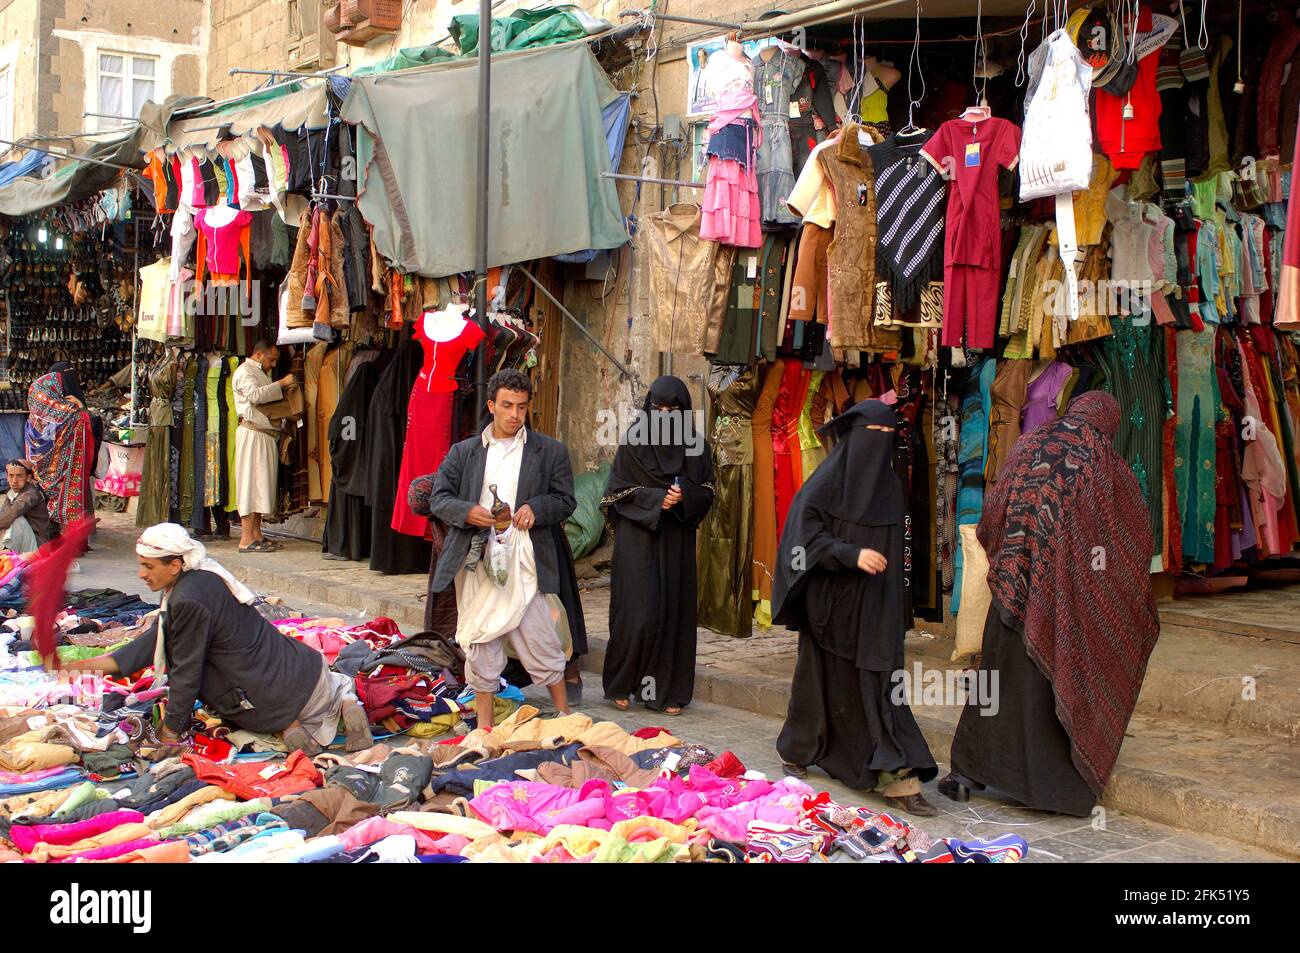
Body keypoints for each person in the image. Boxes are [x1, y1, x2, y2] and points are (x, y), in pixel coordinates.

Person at [940, 391, 1160, 816]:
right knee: (1051, 685)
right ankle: (1051, 791)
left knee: (996, 682)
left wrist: (1011, 556)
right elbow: (1127, 536)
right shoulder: (1104, 461)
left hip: (1013, 589)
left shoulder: (1032, 441)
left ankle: (967, 775)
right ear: (1108, 422)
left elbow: (995, 507)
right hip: (1063, 603)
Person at [63, 523, 373, 755]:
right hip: (305, 670)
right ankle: (345, 704)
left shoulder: (186, 600)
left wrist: (170, 730)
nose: (141, 574)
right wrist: (75, 667)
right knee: (337, 684)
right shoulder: (204, 578)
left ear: (174, 565)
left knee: (229, 696)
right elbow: (151, 644)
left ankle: (289, 726)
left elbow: (186, 672)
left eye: (148, 566)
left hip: (268, 700)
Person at [772, 399, 938, 817]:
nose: (879, 444)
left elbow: (899, 555)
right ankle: (800, 749)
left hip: (877, 605)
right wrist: (850, 554)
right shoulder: (825, 483)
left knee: (879, 683)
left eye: (888, 436)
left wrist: (899, 608)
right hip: (829, 604)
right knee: (817, 682)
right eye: (872, 435)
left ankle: (896, 776)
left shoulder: (891, 487)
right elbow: (801, 541)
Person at [426, 368, 575, 729]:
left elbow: (565, 500)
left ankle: (565, 716)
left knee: (539, 636)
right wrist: (468, 512)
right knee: (480, 641)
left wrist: (536, 508)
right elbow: (439, 498)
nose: (514, 415)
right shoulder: (464, 452)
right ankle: (486, 727)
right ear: (491, 405)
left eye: (521, 407)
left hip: (524, 557)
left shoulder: (549, 451)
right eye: (507, 406)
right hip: (477, 558)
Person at [601, 376, 714, 715]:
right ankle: (621, 683)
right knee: (638, 612)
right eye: (658, 409)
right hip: (638, 538)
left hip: (676, 539)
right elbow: (614, 493)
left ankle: (664, 692)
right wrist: (655, 499)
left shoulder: (696, 447)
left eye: (672, 411)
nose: (664, 416)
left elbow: (708, 490)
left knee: (672, 612)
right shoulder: (633, 444)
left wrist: (683, 496)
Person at [231, 340, 295, 553]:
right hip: (252, 434)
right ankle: (246, 539)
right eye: (271, 359)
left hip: (263, 435)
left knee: (260, 486)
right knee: (250, 485)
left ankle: (256, 534)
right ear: (259, 354)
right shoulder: (245, 371)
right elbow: (255, 395)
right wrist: (281, 384)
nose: (273, 364)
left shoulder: (259, 373)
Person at [24, 367, 93, 532]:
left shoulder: (33, 417)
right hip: (62, 477)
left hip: (39, 475)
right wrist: (81, 407)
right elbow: (86, 424)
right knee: (62, 505)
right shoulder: (69, 414)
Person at [0, 459, 51, 553]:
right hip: (24, 543)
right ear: (7, 477)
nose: (14, 481)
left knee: (15, 519)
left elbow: (12, 514)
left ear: (28, 478)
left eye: (19, 476)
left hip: (37, 547)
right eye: (11, 476)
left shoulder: (31, 494)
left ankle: (6, 552)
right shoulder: (11, 493)